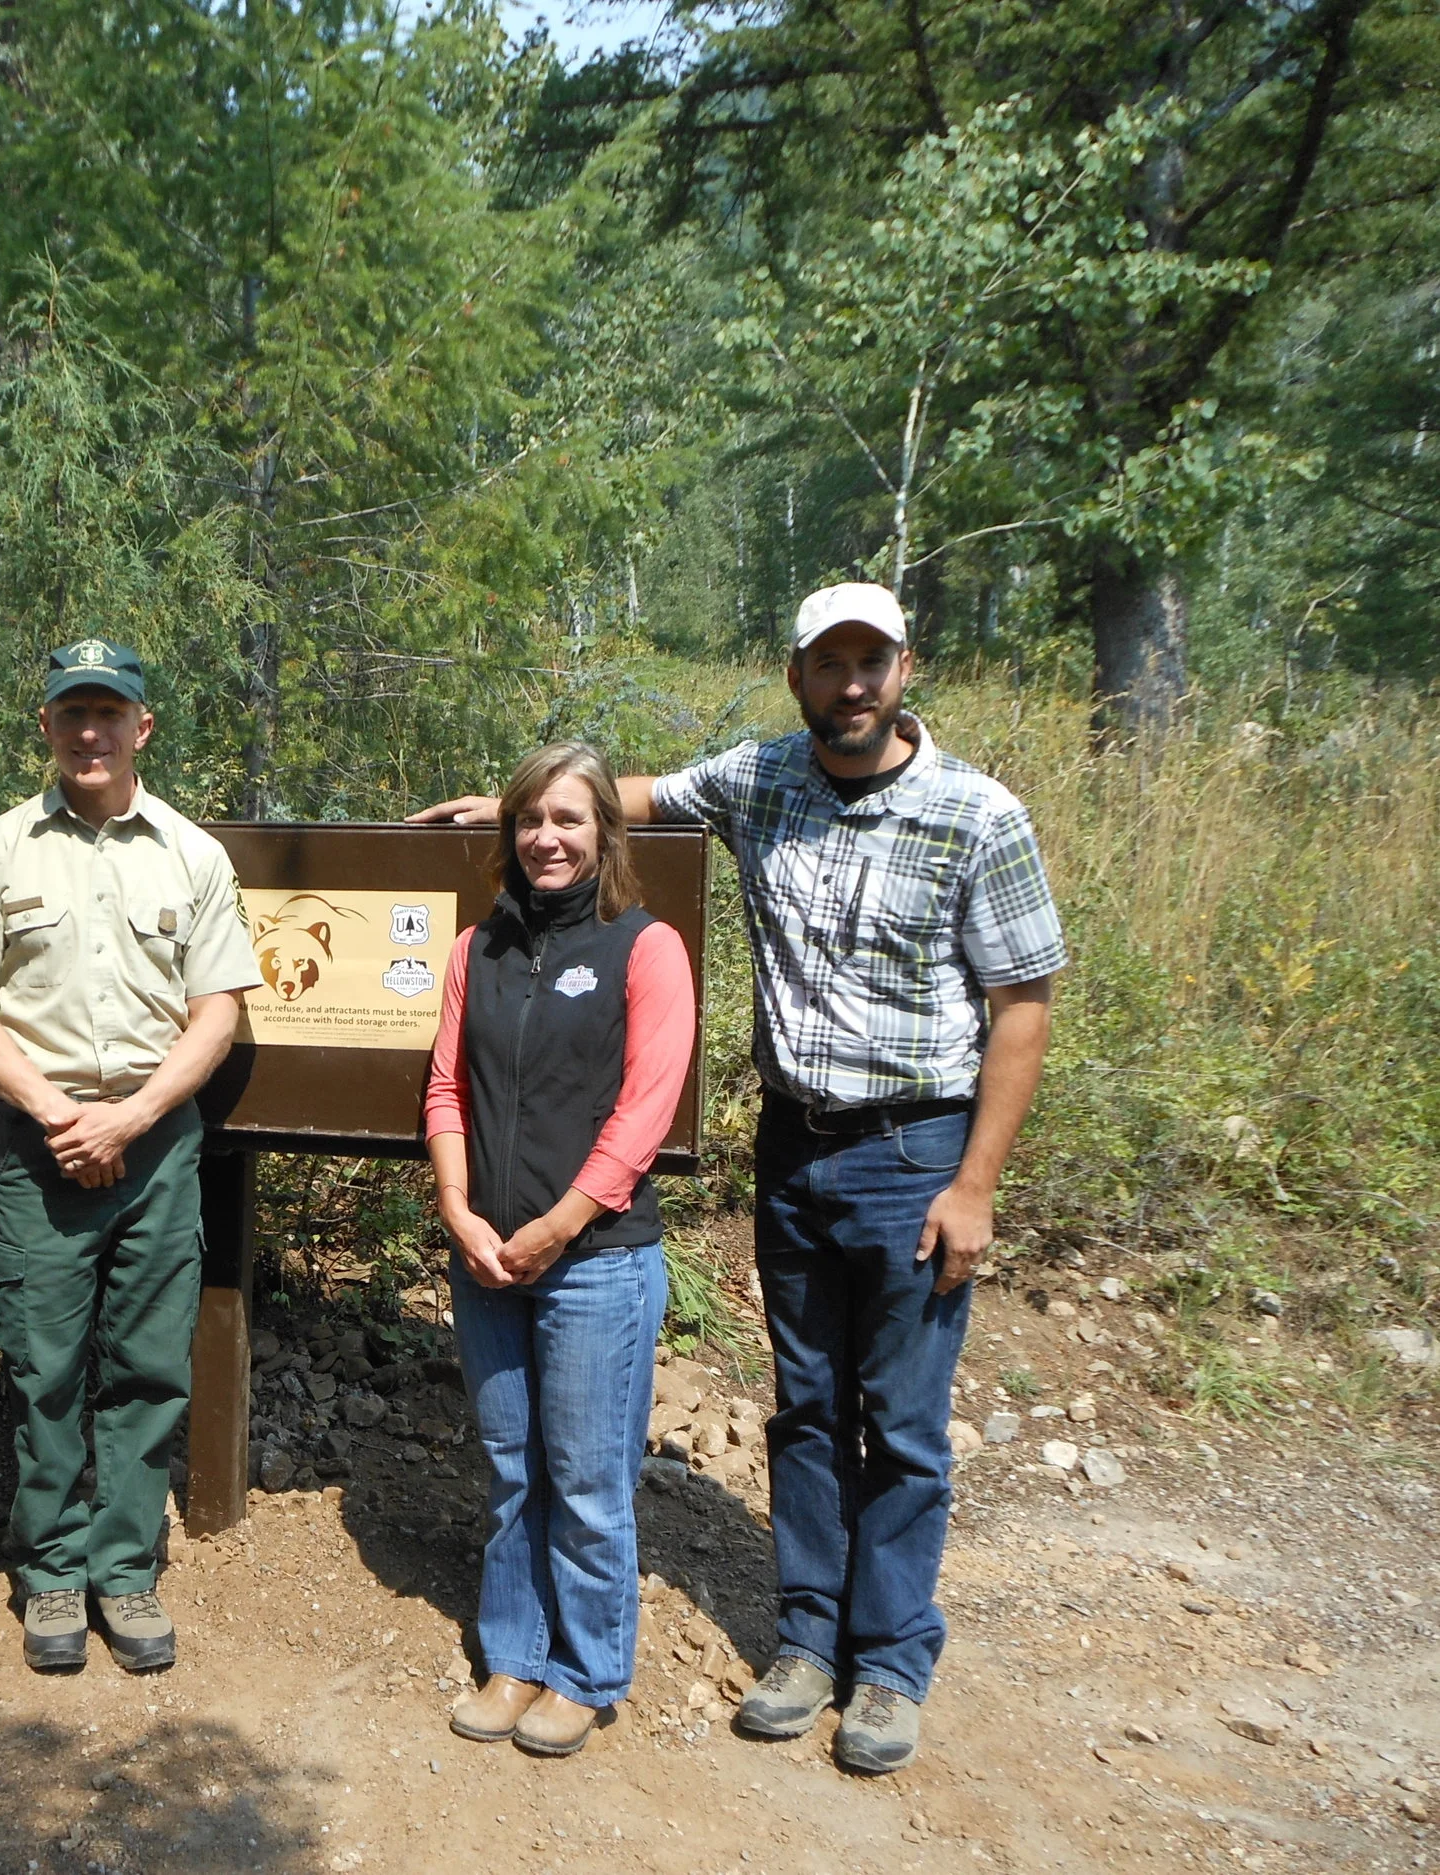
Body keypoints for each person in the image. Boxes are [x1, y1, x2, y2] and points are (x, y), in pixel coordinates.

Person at [412, 582, 1063, 1774]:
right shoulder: (764, 780)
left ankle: (889, 1666)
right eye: (830, 663)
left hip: (918, 1146)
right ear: (798, 672)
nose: (851, 683)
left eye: (872, 661)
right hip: (796, 1146)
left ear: (904, 668)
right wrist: (505, 808)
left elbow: (1020, 1006)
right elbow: (634, 795)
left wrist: (975, 1184)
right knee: (807, 1412)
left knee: (904, 1427)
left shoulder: (978, 814)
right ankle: (806, 1644)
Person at [0, 638, 261, 1674]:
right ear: (50, 728)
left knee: (149, 1366)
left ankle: (125, 1569)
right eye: (73, 714)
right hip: (37, 1143)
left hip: (156, 1146)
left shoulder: (191, 854)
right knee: (45, 1363)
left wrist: (132, 1116)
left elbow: (218, 1010)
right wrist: (58, 1112)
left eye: (109, 713)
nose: (91, 732)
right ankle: (53, 1569)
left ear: (142, 726)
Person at [425, 742, 696, 1759]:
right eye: (531, 819)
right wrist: (458, 1208)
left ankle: (585, 1671)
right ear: (510, 831)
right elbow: (446, 1086)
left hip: (596, 1262)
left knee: (585, 1478)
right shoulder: (475, 950)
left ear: (604, 834)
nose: (548, 838)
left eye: (570, 819)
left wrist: (559, 1224)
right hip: (485, 1254)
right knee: (510, 1471)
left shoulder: (645, 946)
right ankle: (515, 1655)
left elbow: (644, 1110)